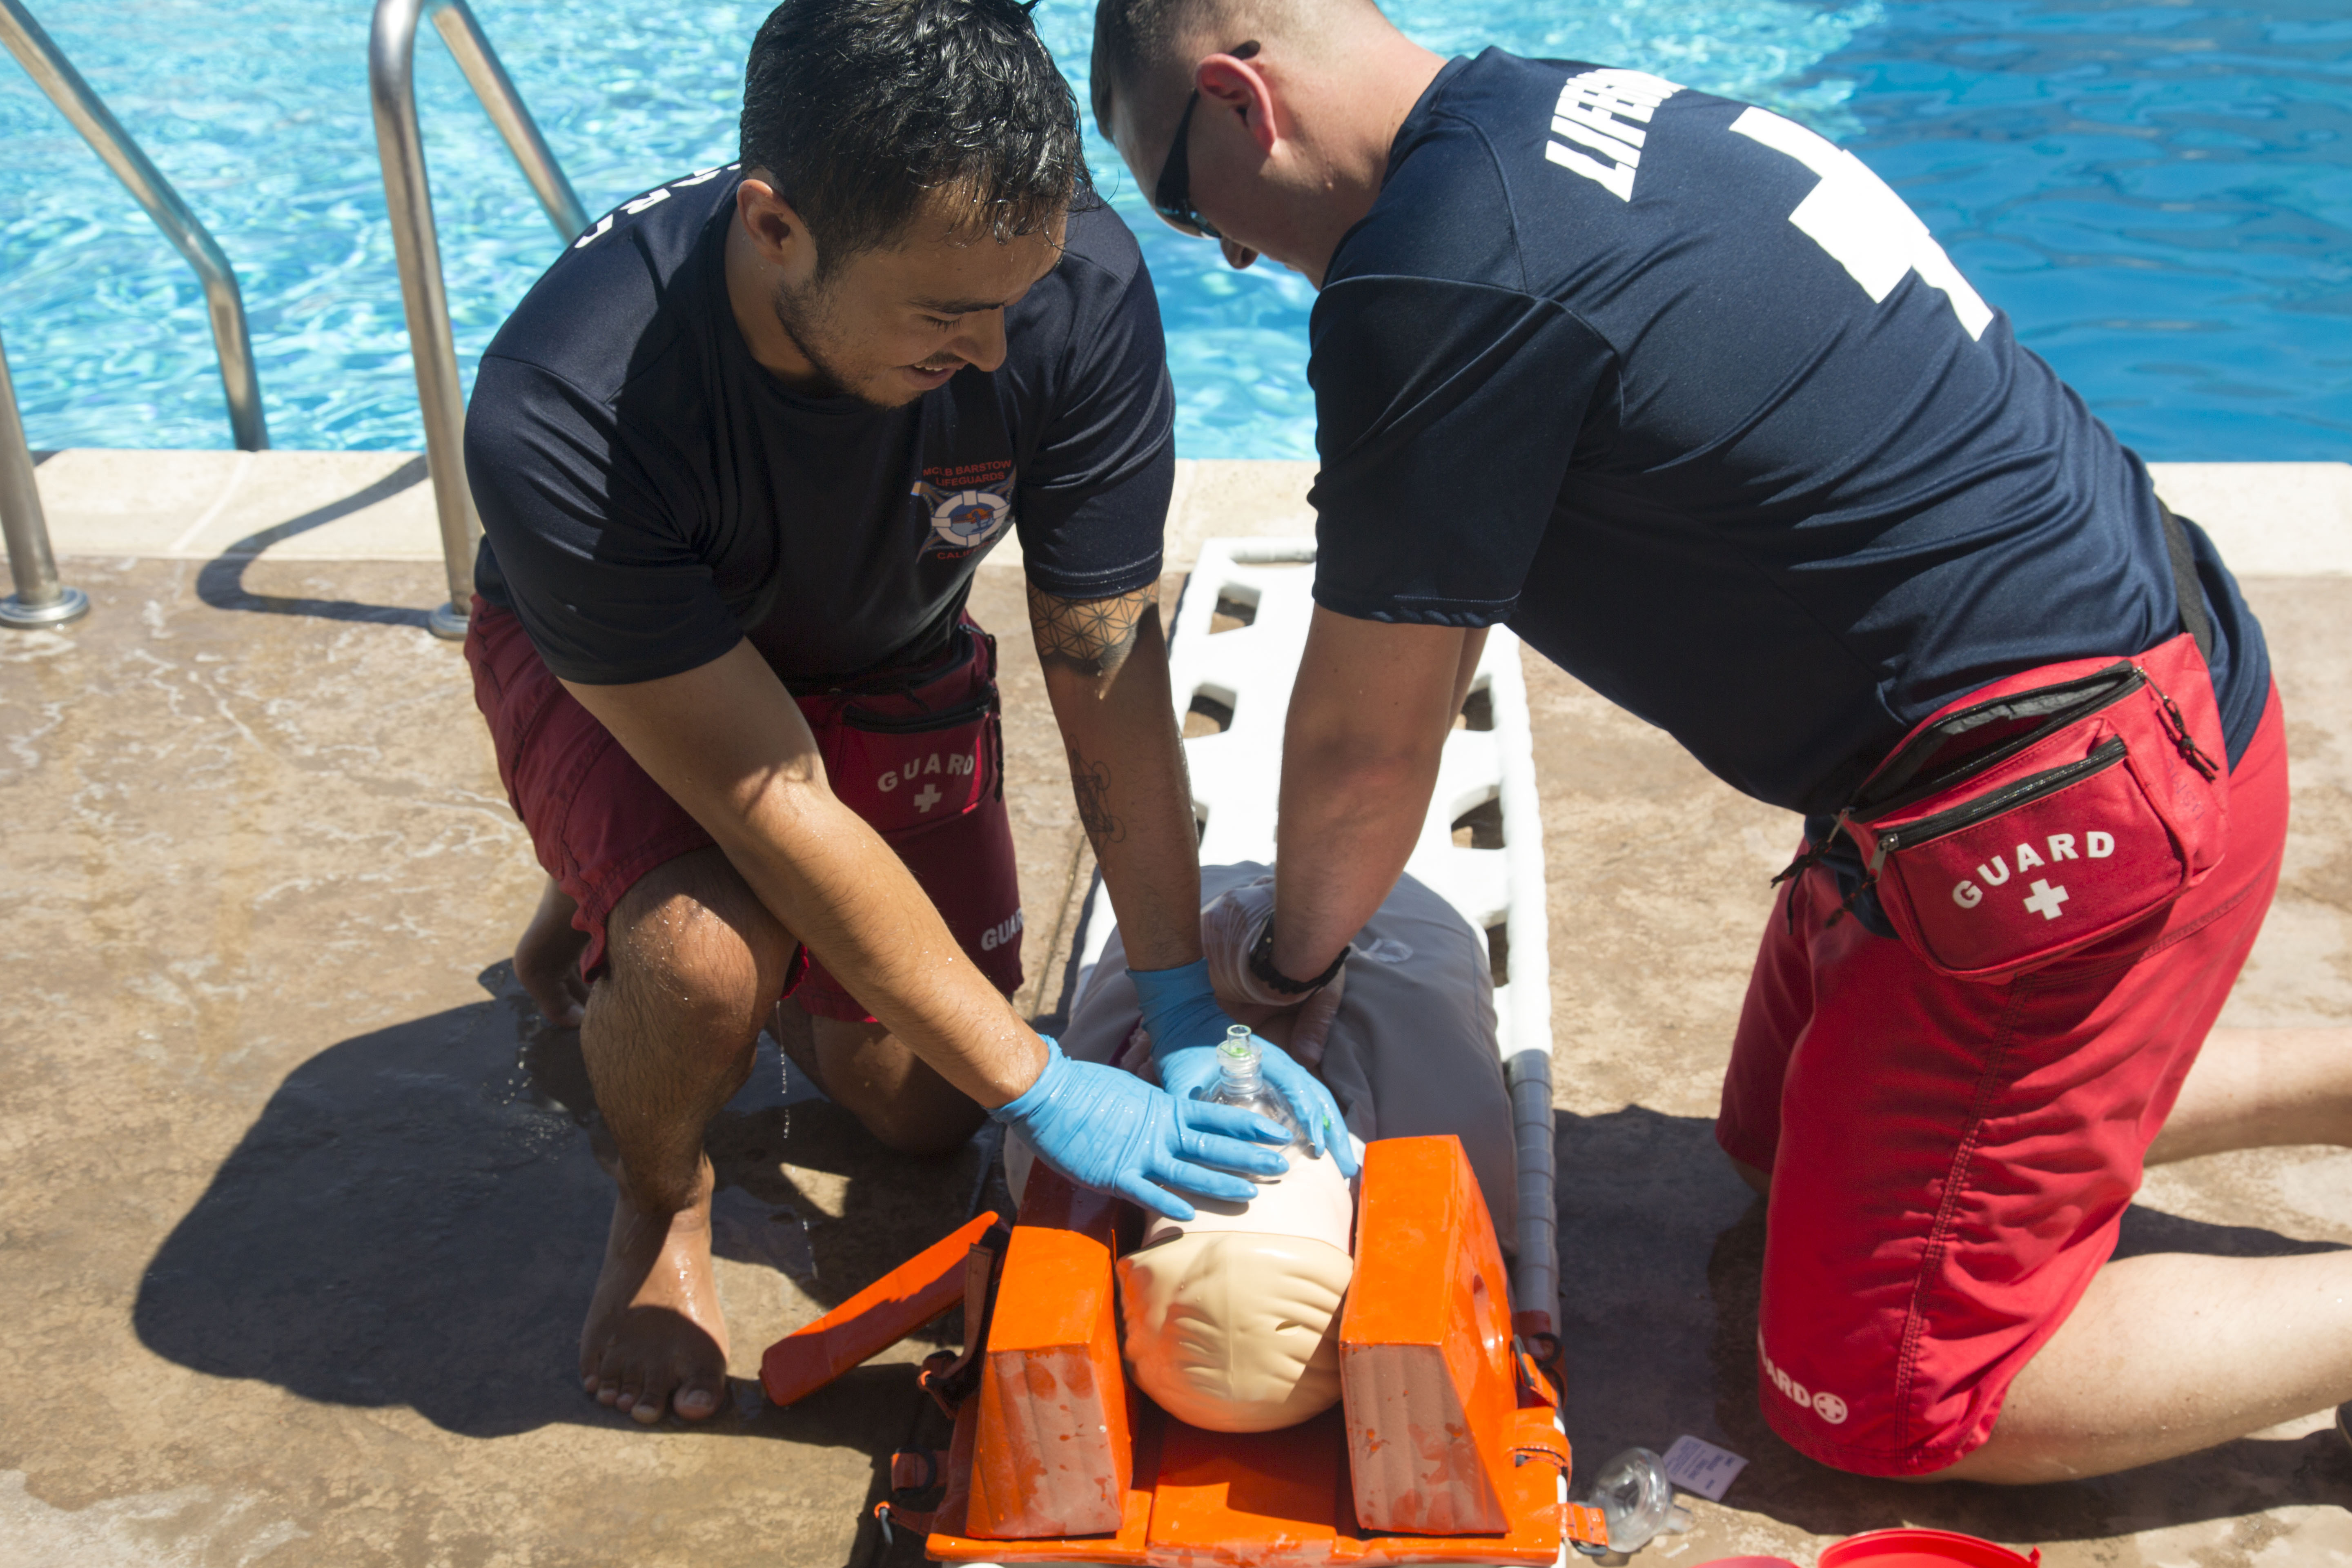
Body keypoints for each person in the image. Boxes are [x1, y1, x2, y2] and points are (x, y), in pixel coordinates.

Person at [1091, 0, 2352, 1483]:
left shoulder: (1433, 275)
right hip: (2114, 715)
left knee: (1869, 1393)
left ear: (1243, 99)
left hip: (2064, 823)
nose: (1223, 252)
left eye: (1184, 202)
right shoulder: (1561, 115)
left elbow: (1372, 742)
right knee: (1779, 1145)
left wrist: (1289, 972)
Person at [462, 0, 1350, 1429]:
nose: (1002, 354)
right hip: (651, 679)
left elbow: (1103, 656)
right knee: (704, 958)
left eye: (1018, 297)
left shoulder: (1068, 296)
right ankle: (659, 1200)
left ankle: (610, 886)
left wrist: (1181, 995)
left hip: (881, 641)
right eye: (946, 316)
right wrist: (1042, 1084)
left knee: (927, 1104)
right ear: (774, 230)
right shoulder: (568, 405)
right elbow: (773, 798)